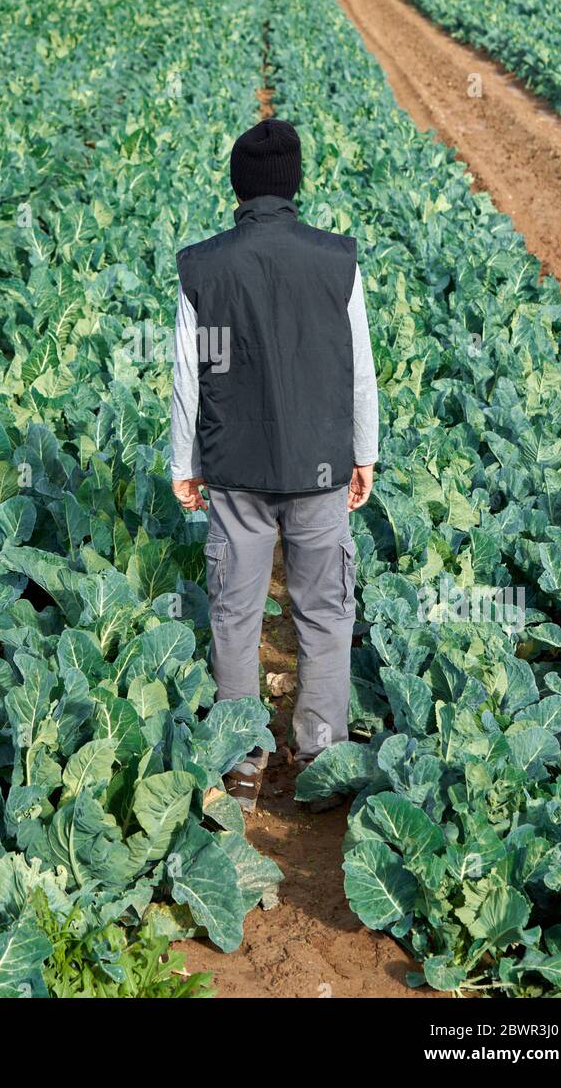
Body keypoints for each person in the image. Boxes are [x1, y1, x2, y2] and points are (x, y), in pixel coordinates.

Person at [170, 118, 378, 812]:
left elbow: (186, 377)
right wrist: (363, 454)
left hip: (235, 471)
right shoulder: (335, 260)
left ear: (237, 188)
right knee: (324, 612)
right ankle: (319, 755)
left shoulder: (204, 265)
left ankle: (241, 760)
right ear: (294, 185)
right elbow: (360, 374)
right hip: (319, 466)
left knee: (234, 613)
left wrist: (185, 459)